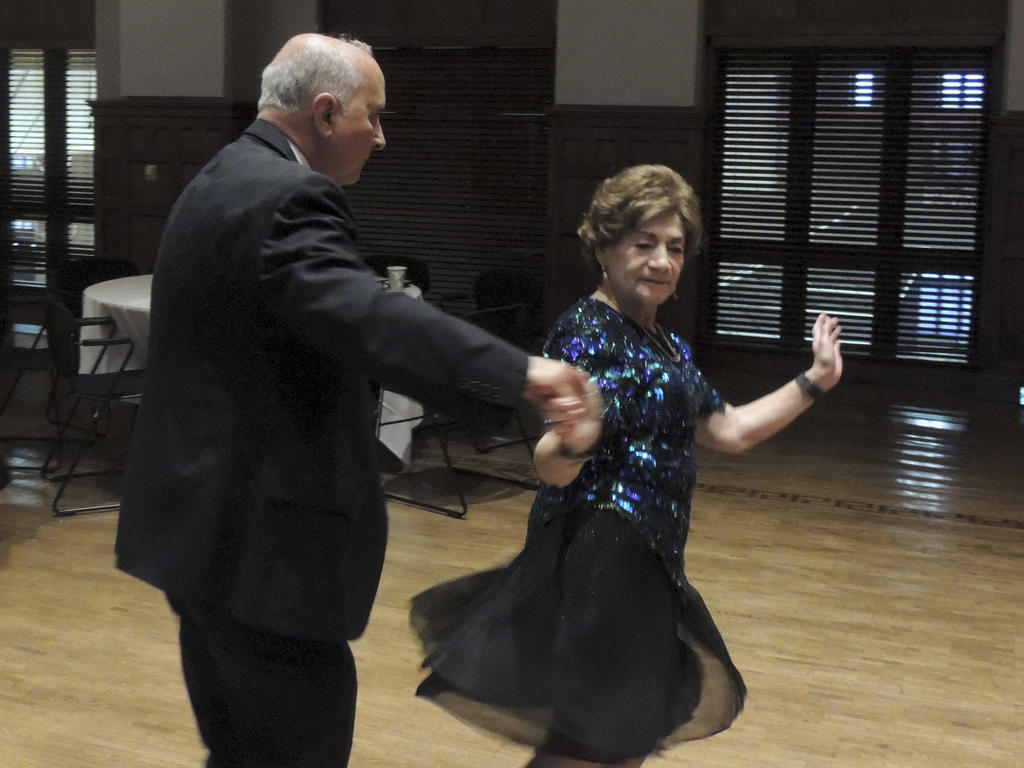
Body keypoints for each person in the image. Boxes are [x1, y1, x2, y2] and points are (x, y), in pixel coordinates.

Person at [114, 33, 597, 768]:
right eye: (373, 116)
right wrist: (519, 371)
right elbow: (371, 318)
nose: (382, 136)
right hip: (261, 556)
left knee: (241, 750)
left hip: (199, 538)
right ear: (327, 111)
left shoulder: (219, 175)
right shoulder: (290, 197)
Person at [410, 164, 843, 767]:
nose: (662, 261)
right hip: (601, 559)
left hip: (649, 563)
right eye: (644, 244)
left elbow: (730, 429)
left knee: (613, 744)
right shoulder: (588, 330)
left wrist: (814, 382)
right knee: (594, 746)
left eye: (674, 247)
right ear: (605, 247)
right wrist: (575, 442)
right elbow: (550, 463)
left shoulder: (666, 345)